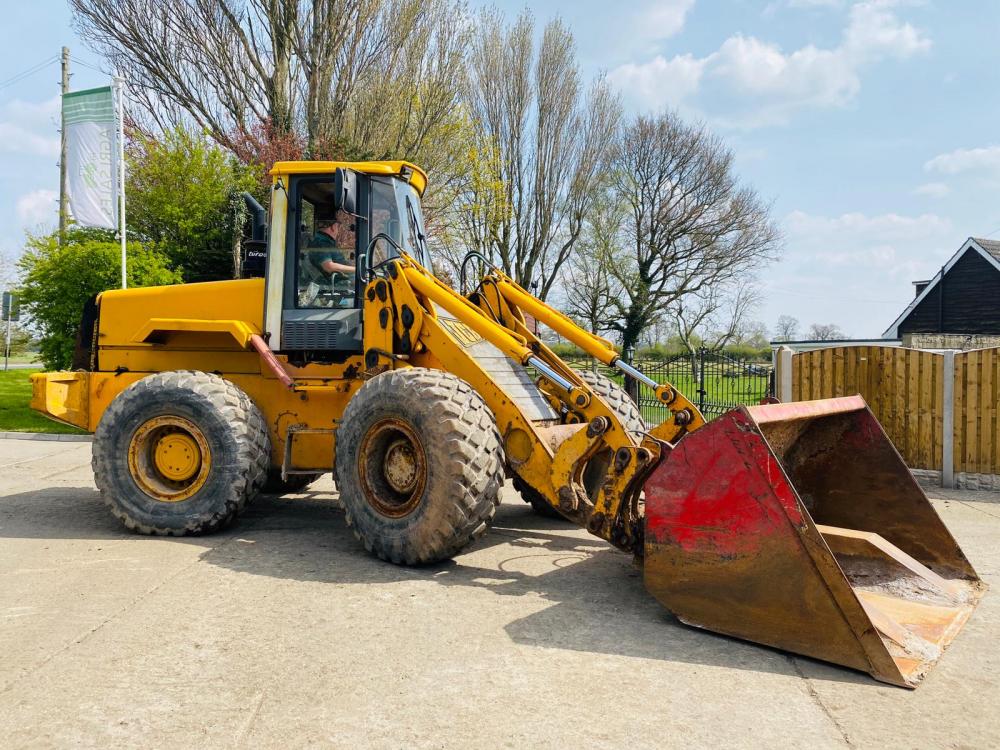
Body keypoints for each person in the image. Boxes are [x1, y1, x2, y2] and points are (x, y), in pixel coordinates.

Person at [300, 209, 356, 306]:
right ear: (333, 227)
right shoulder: (321, 243)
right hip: (336, 292)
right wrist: (356, 270)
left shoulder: (325, 242)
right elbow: (329, 266)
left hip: (342, 288)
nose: (338, 230)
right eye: (338, 227)